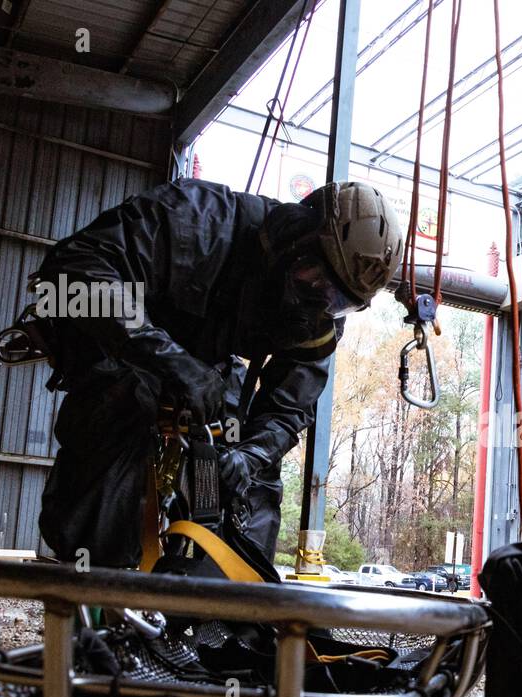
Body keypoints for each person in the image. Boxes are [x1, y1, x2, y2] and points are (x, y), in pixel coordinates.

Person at [33, 178, 404, 568]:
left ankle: (230, 608)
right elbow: (67, 279)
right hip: (127, 348)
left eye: (340, 300)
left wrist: (250, 455)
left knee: (248, 471)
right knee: (123, 406)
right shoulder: (198, 220)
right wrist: (171, 361)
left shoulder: (319, 314)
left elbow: (290, 406)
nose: (320, 301)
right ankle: (95, 580)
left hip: (209, 370)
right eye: (317, 279)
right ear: (294, 235)